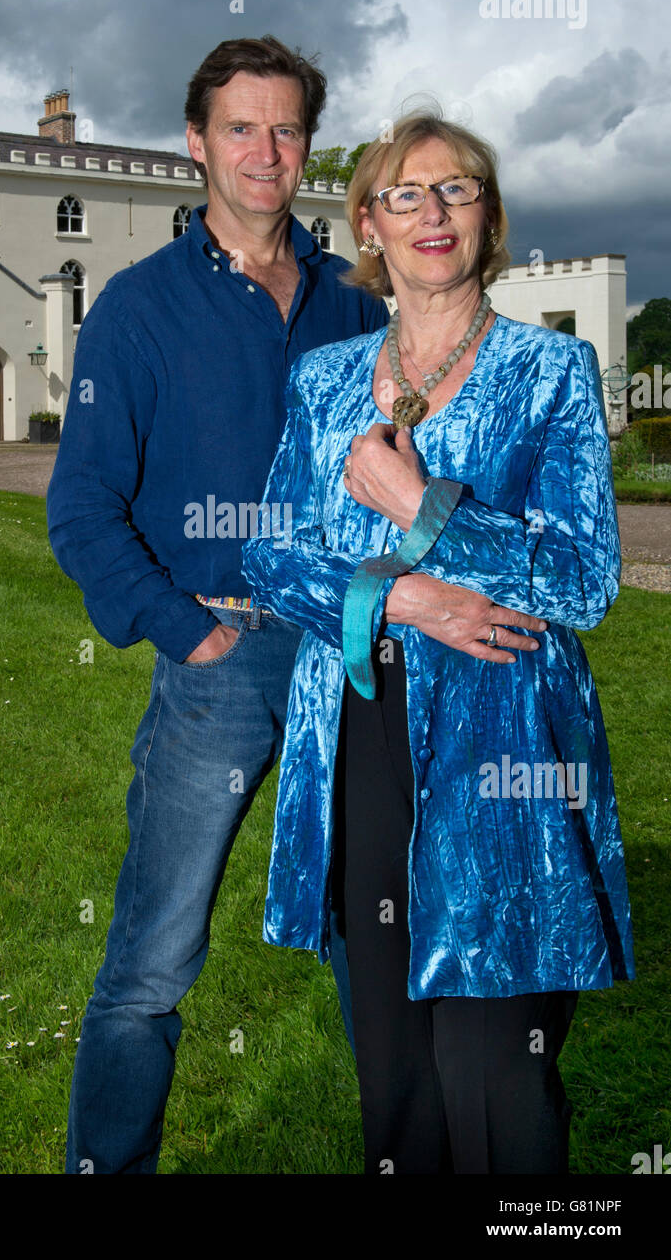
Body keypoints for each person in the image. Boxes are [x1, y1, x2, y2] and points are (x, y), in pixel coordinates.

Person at [242, 107, 636, 1175]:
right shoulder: (324, 380)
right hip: (360, 737)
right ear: (368, 221)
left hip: (501, 736)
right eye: (403, 193)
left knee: (499, 1066)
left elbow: (583, 577)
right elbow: (273, 561)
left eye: (456, 189)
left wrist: (426, 504)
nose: (431, 210)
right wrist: (410, 596)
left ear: (487, 216)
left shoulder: (549, 370)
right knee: (395, 1069)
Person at [46, 35, 391, 1174]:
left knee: (380, 941)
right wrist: (186, 631)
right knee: (150, 964)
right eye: (239, 127)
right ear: (195, 143)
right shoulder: (139, 310)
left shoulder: (356, 300)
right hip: (222, 658)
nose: (264, 150)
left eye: (285, 128)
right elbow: (83, 508)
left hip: (348, 651)